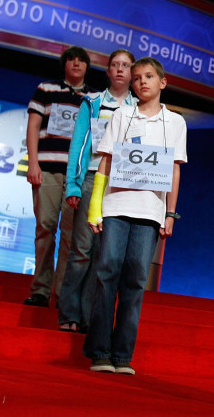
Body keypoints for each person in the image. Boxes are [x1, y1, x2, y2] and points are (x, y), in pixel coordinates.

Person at [82, 57, 187, 376]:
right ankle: (100, 351)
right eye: (137, 77)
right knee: (107, 273)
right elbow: (105, 160)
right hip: (115, 206)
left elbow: (175, 170)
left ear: (162, 82)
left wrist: (170, 213)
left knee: (136, 280)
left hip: (150, 211)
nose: (142, 82)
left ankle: (122, 355)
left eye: (149, 76)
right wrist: (95, 206)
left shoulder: (175, 122)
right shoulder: (122, 115)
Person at [58, 49, 136, 333]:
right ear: (108, 70)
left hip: (119, 184)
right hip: (92, 178)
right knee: (81, 249)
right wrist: (73, 184)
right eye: (115, 64)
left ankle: (91, 317)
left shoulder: (138, 107)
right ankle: (69, 314)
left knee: (105, 255)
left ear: (132, 72)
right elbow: (78, 144)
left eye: (125, 65)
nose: (120, 69)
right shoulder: (92, 102)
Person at [24, 46, 97, 307]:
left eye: (81, 61)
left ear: (87, 67)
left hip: (77, 176)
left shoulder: (94, 98)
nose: (76, 64)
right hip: (46, 170)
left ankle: (62, 294)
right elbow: (33, 127)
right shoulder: (46, 89)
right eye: (71, 60)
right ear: (64, 64)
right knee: (45, 228)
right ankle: (41, 290)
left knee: (70, 235)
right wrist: (32, 164)